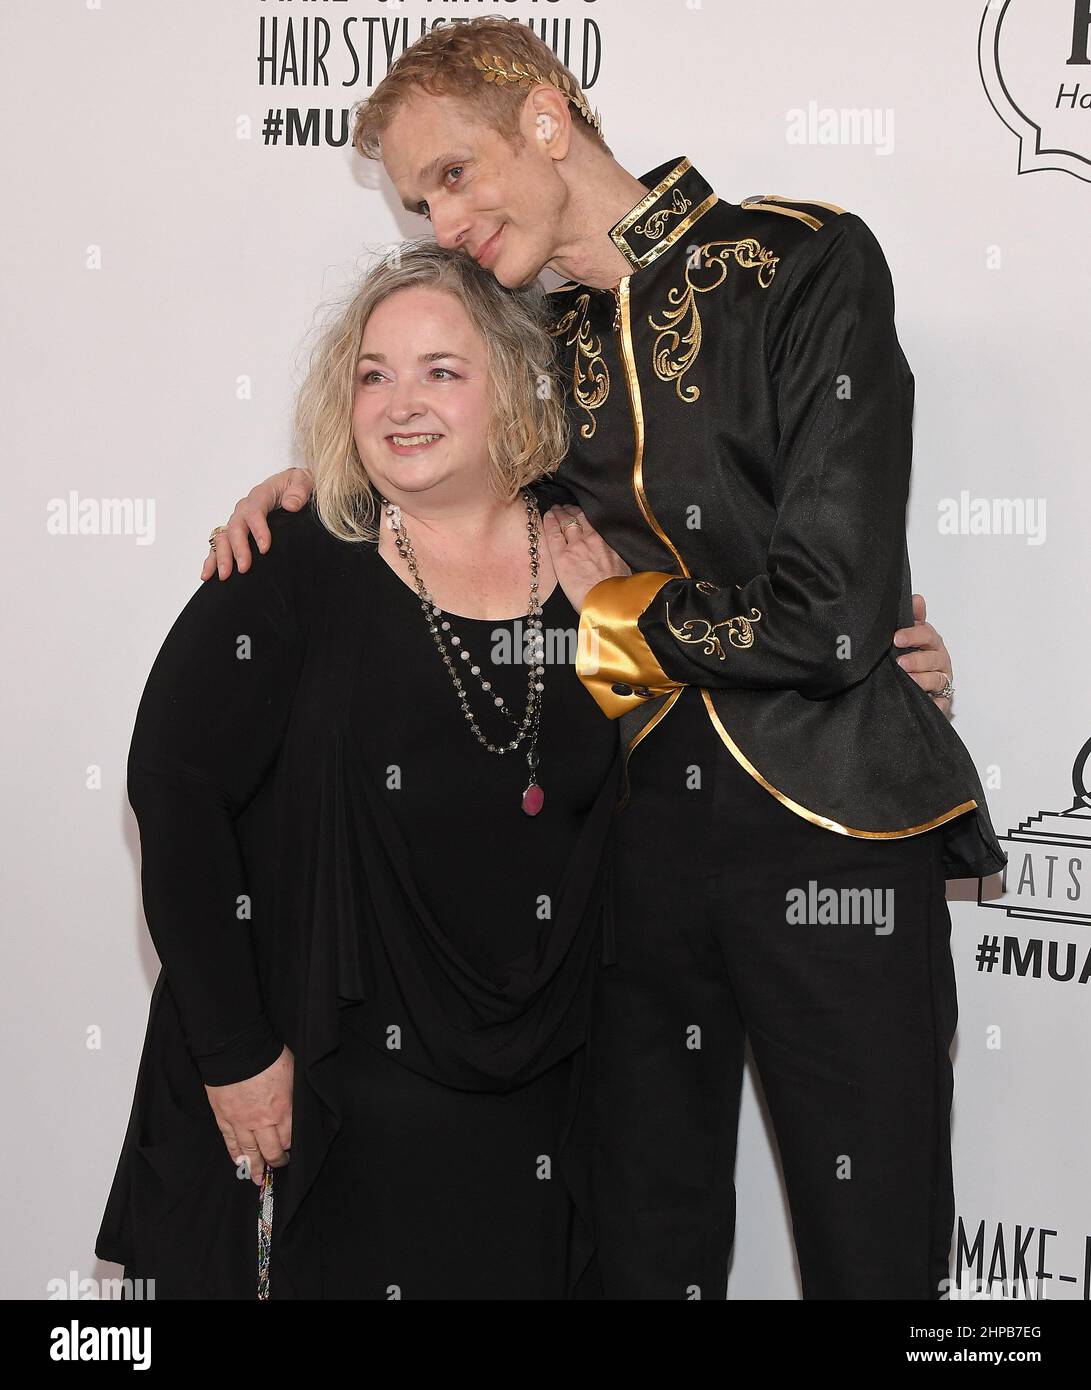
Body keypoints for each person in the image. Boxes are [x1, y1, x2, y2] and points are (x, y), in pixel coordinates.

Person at [198, 18, 1005, 1298]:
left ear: (540, 114)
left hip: (831, 836)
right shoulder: (534, 354)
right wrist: (314, 488)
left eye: (452, 175)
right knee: (637, 1258)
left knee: (875, 1263)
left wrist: (625, 613)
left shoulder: (798, 263)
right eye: (417, 202)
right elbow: (442, 477)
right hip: (622, 869)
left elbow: (834, 618)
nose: (441, 219)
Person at [95, 239, 631, 1300]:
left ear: (515, 388)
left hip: (522, 1125)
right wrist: (236, 1056)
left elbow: (724, 706)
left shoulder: (595, 558)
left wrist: (900, 685)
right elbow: (175, 787)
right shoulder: (294, 554)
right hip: (311, 1110)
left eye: (442, 370)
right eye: (373, 373)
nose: (400, 402)